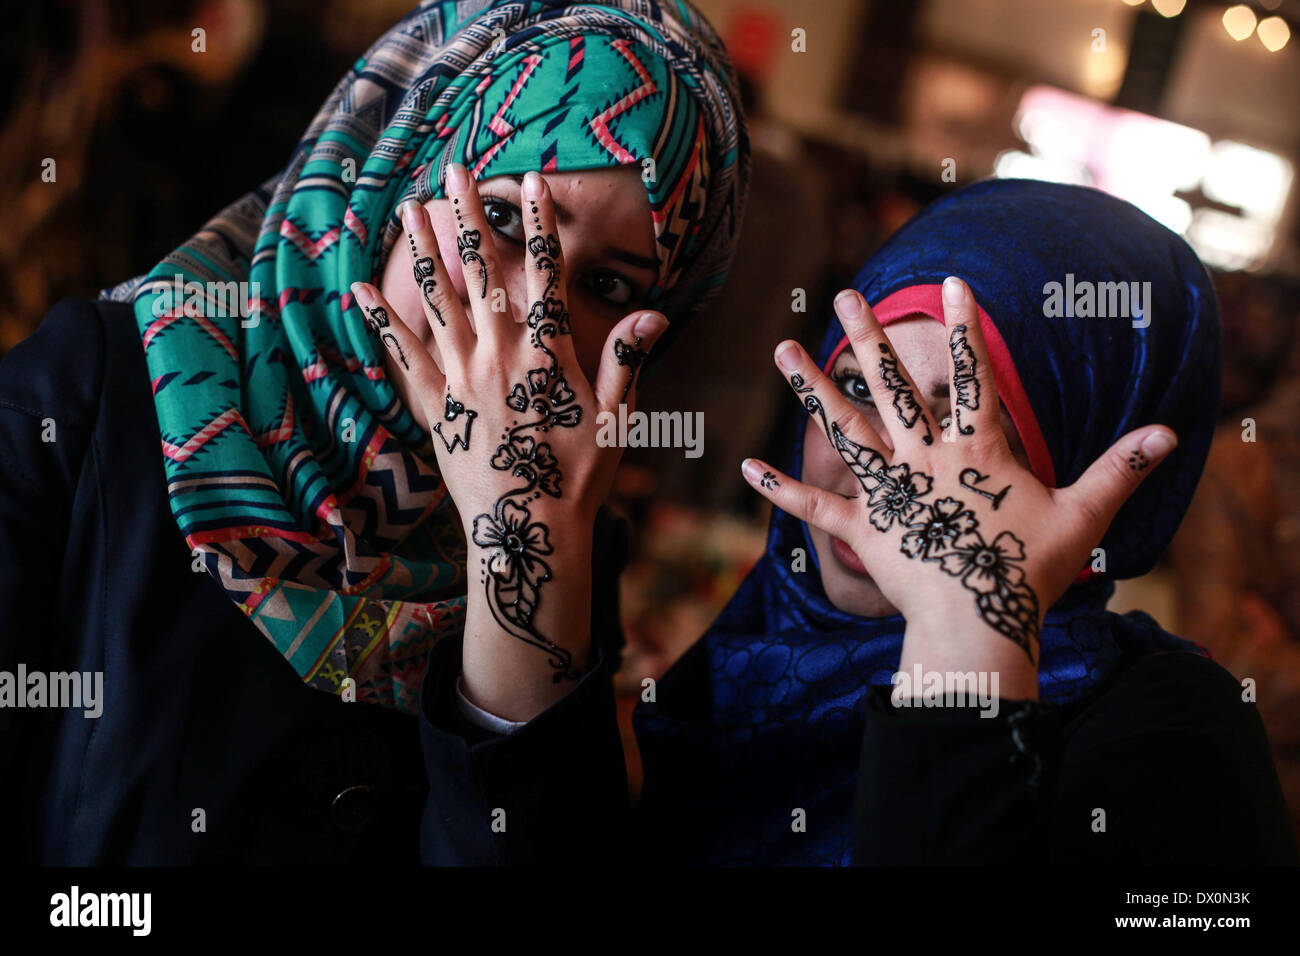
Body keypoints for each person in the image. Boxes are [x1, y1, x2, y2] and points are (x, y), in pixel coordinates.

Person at [0, 0, 747, 864]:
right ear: (396, 181)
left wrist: (520, 565)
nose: (530, 313)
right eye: (503, 220)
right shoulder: (96, 400)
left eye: (609, 288)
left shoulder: (571, 546)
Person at [415, 179, 1298, 866]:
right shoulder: (751, 657)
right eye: (860, 390)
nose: (881, 463)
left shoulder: (1175, 736)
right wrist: (516, 541)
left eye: (963, 421)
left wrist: (970, 638)